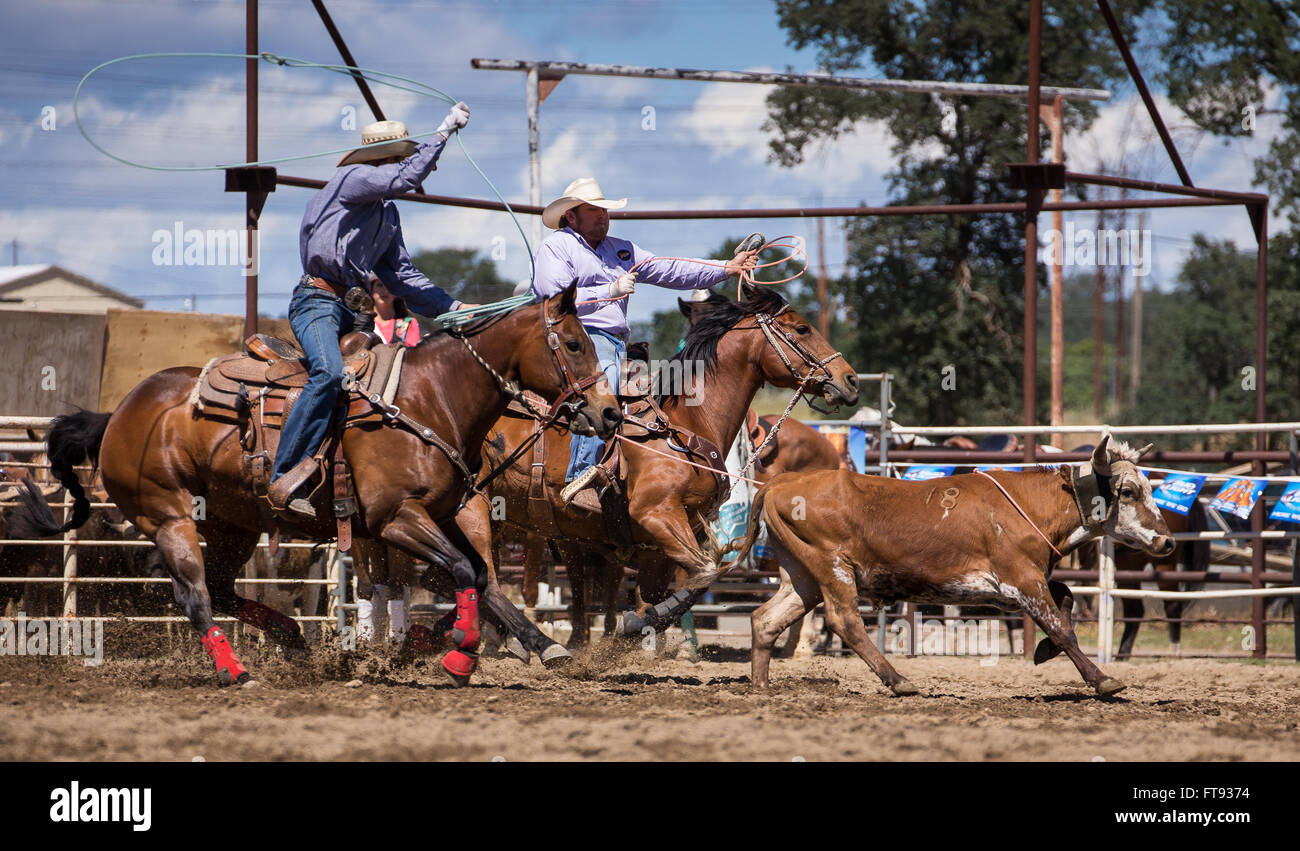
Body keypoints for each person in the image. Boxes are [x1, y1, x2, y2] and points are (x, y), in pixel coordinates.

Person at [268, 106, 475, 519]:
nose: (415, 167)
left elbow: (402, 276)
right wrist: (443, 131)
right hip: (317, 302)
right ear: (389, 159)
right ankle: (284, 474)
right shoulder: (353, 178)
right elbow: (407, 178)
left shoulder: (386, 213)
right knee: (328, 373)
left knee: (392, 386)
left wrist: (450, 307)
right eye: (404, 157)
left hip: (353, 313)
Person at [531, 177, 758, 512]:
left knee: (662, 394)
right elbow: (551, 299)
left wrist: (726, 268)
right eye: (593, 211)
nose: (603, 217)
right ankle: (578, 478)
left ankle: (643, 477)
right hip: (575, 340)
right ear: (572, 217)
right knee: (603, 380)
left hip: (614, 342)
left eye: (604, 211)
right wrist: (607, 291)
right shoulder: (557, 247)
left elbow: (671, 269)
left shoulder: (622, 250)